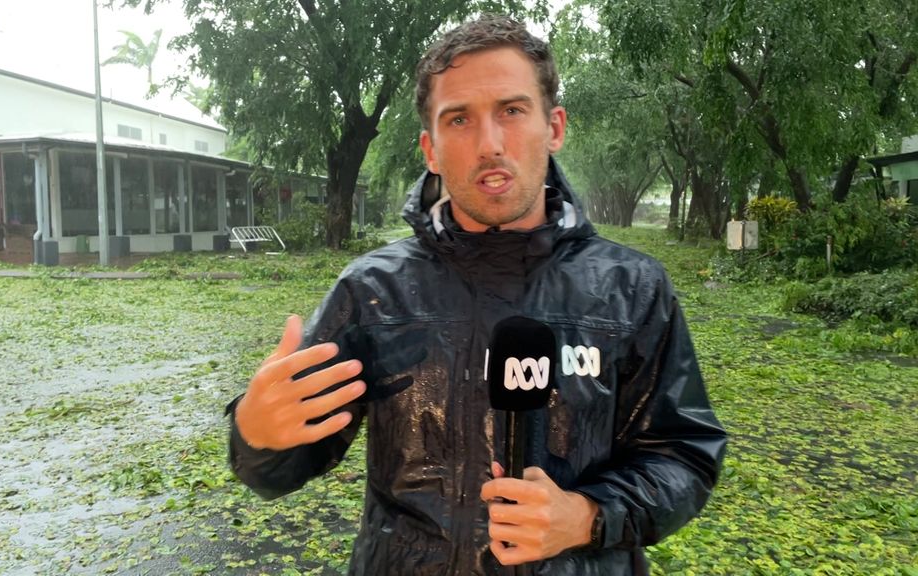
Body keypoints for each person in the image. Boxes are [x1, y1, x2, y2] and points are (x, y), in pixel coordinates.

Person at [226, 14, 727, 575]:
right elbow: (279, 466)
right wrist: (256, 434)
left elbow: (683, 452)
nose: (489, 144)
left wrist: (588, 515)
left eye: (511, 111)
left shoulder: (632, 287)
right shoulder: (373, 291)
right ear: (431, 148)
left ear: (553, 126)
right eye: (459, 119)